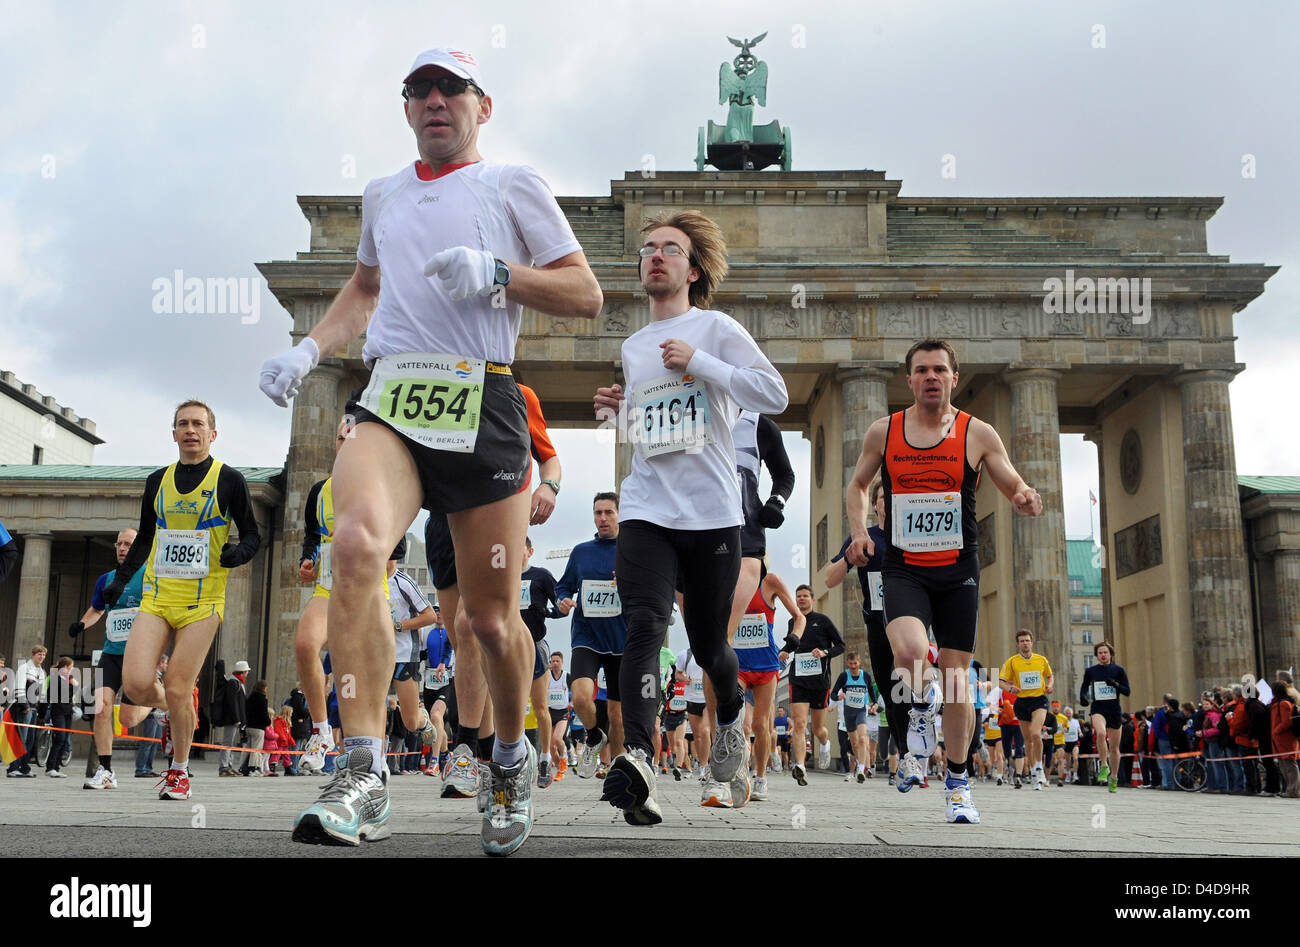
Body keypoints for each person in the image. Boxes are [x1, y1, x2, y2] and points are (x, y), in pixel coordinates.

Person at [262, 46, 600, 855]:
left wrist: (498, 273)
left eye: (453, 87)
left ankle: (512, 758)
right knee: (354, 546)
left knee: (487, 618)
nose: (436, 99)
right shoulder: (383, 193)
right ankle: (365, 768)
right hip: (394, 393)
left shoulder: (512, 185)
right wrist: (310, 352)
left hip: (482, 396)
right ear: (405, 107)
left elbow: (585, 294)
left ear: (485, 105)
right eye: (420, 89)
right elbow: (366, 288)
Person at [592, 209, 788, 825]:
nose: (655, 256)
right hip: (648, 508)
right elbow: (657, 432)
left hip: (712, 516)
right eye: (647, 248)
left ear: (692, 268)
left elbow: (772, 393)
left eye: (669, 249)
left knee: (708, 644)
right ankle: (642, 760)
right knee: (645, 622)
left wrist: (700, 362)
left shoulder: (717, 327)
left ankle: (729, 712)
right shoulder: (631, 345)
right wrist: (618, 412)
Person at [844, 337, 1044, 824]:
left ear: (955, 377)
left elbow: (1009, 478)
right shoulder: (884, 432)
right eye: (921, 370)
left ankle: (957, 782)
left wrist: (1022, 495)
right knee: (910, 652)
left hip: (958, 571)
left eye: (939, 369)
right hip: (904, 566)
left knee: (957, 680)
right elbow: (857, 485)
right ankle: (916, 709)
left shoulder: (978, 433)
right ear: (909, 379)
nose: (931, 377)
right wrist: (858, 533)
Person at [106, 400, 261, 801]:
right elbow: (144, 538)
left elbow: (252, 535)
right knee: (137, 685)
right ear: (173, 433)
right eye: (182, 424)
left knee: (179, 687)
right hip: (157, 596)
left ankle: (179, 771)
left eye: (198, 424)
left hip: (203, 602)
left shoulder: (229, 479)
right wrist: (119, 584)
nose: (190, 430)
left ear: (212, 433)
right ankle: (169, 710)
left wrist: (238, 554)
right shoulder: (158, 480)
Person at [69, 528, 154, 789]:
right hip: (111, 653)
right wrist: (82, 625)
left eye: (128, 543)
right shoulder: (106, 579)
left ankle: (153, 700)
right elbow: (97, 609)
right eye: (118, 543)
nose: (121, 548)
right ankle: (106, 771)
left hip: (139, 654)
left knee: (128, 719)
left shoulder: (150, 575)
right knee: (102, 708)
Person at [712, 565, 802, 804]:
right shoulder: (728, 578)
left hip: (766, 666)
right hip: (738, 664)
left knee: (762, 725)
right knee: (741, 723)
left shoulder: (770, 581)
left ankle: (760, 777)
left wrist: (795, 637)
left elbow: (799, 616)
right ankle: (738, 772)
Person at [555, 493, 626, 777]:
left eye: (609, 512)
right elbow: (564, 586)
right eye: (598, 513)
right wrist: (562, 600)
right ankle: (595, 737)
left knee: (618, 715)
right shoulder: (582, 551)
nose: (603, 518)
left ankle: (619, 770)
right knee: (581, 698)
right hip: (587, 637)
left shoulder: (632, 549)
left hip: (621, 641)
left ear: (620, 514)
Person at [783, 584, 845, 786]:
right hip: (798, 679)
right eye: (798, 596)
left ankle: (825, 744)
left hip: (820, 681)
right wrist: (784, 651)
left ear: (812, 599)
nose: (801, 599)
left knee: (818, 728)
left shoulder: (823, 621)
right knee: (800, 724)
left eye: (805, 596)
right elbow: (791, 644)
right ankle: (800, 766)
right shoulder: (793, 621)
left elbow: (841, 645)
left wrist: (825, 653)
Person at [520, 537, 562, 786]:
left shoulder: (541, 575)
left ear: (530, 551)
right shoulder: (504, 575)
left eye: (520, 548)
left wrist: (547, 612)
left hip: (536, 644)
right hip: (509, 647)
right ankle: (514, 756)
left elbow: (562, 605)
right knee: (507, 705)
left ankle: (545, 756)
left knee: (539, 706)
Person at [1000, 630, 1054, 792]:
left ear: (1032, 642)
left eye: (1027, 640)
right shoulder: (1012, 662)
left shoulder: (1041, 659)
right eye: (1022, 641)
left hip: (1039, 700)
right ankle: (1033, 771)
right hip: (1022, 702)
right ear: (1018, 644)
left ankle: (1039, 768)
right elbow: (1001, 681)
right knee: (1028, 740)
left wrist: (1050, 685)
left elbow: (1050, 676)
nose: (1025, 643)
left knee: (1036, 734)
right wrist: (1010, 688)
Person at [1078, 641, 1129, 792]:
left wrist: (1115, 685)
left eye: (1105, 652)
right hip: (1098, 708)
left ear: (1111, 654)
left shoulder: (1119, 670)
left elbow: (1127, 691)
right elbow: (1084, 686)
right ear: (1096, 655)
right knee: (1100, 733)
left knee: (1114, 748)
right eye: (1100, 653)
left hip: (1114, 710)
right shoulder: (1091, 671)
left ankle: (1114, 777)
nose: (1103, 655)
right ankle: (1104, 766)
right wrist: (1083, 697)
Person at [830, 653, 877, 784]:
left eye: (855, 663)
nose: (853, 666)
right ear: (847, 663)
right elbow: (833, 693)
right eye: (850, 664)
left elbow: (872, 694)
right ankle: (858, 764)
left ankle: (861, 769)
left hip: (861, 711)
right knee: (854, 743)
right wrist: (838, 697)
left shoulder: (865, 676)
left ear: (859, 662)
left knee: (862, 738)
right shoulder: (844, 676)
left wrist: (874, 704)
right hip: (848, 713)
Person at [6, 646, 47, 778]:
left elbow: (42, 693)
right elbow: (19, 687)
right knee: (21, 738)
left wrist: (42, 712)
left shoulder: (42, 672)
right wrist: (25, 706)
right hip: (24, 708)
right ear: (33, 655)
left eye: (43, 655)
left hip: (34, 708)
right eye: (39, 654)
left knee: (30, 740)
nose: (41, 657)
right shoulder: (24, 668)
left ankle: (24, 767)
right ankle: (13, 768)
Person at [134, 656, 169, 778]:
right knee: (148, 742)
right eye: (165, 663)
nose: (166, 665)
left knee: (155, 742)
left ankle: (148, 768)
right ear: (160, 663)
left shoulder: (158, 677)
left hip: (157, 712)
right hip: (151, 712)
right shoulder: (152, 677)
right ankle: (141, 768)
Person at [43, 657, 78, 777]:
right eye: (69, 667)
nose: (70, 670)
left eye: (71, 668)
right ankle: (50, 767)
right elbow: (52, 695)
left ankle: (56, 767)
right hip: (58, 711)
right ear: (63, 667)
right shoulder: (55, 679)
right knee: (60, 738)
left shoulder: (67, 679)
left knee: (64, 740)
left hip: (68, 712)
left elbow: (70, 695)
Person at [1270, 673, 1299, 798]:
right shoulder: (1277, 703)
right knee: (1283, 765)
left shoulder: (1284, 704)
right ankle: (1289, 789)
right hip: (1279, 740)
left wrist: (1276, 730)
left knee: (1290, 766)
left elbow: (1287, 721)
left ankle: (1293, 790)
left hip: (1285, 738)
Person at [218, 661, 250, 776]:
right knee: (227, 742)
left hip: (236, 720)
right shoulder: (233, 682)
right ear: (243, 672)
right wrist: (236, 719)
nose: (247, 673)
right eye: (246, 671)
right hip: (232, 719)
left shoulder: (238, 682)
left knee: (231, 743)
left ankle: (229, 765)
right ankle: (224, 766)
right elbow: (232, 702)